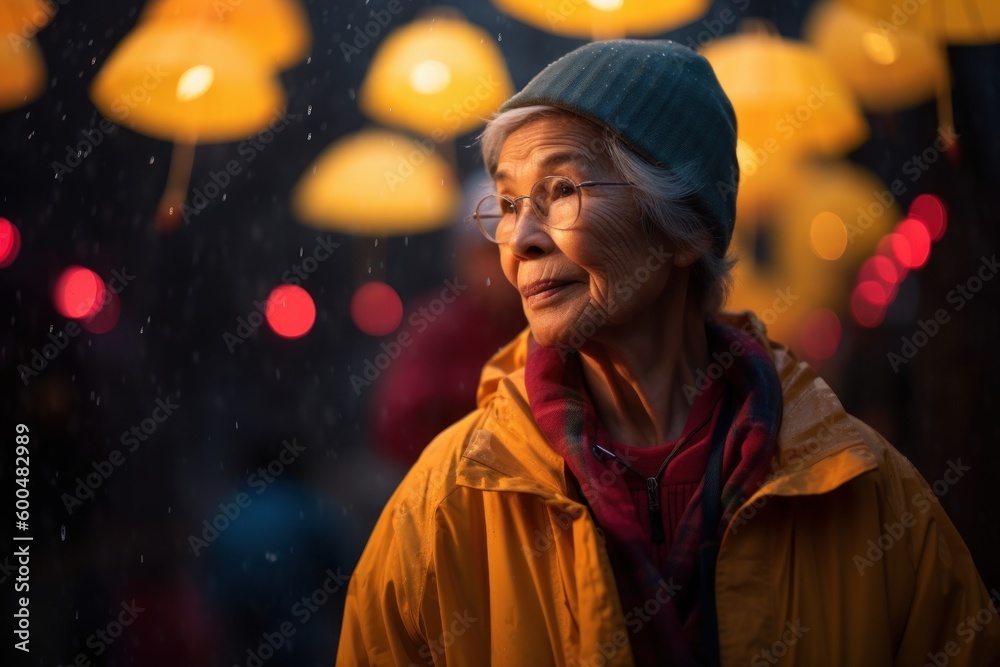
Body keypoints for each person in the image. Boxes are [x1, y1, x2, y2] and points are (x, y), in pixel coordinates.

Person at [336, 40, 999, 666]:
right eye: (508, 204)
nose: (520, 241)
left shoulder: (863, 492)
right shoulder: (446, 504)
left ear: (684, 229)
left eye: (561, 190)